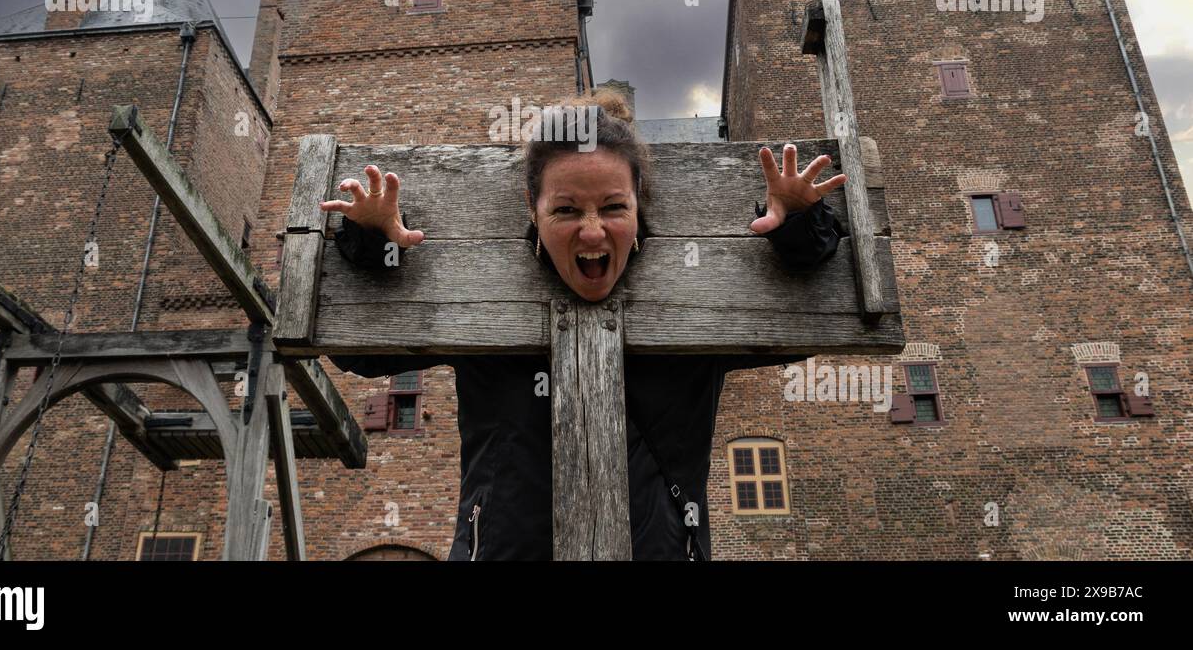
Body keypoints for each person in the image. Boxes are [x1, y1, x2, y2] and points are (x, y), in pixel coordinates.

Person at [322, 89, 848, 560]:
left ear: (641, 206)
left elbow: (820, 319)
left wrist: (801, 230)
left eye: (614, 206)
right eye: (567, 210)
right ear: (532, 207)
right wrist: (373, 247)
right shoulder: (478, 307)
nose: (593, 233)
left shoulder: (703, 310)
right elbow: (355, 351)